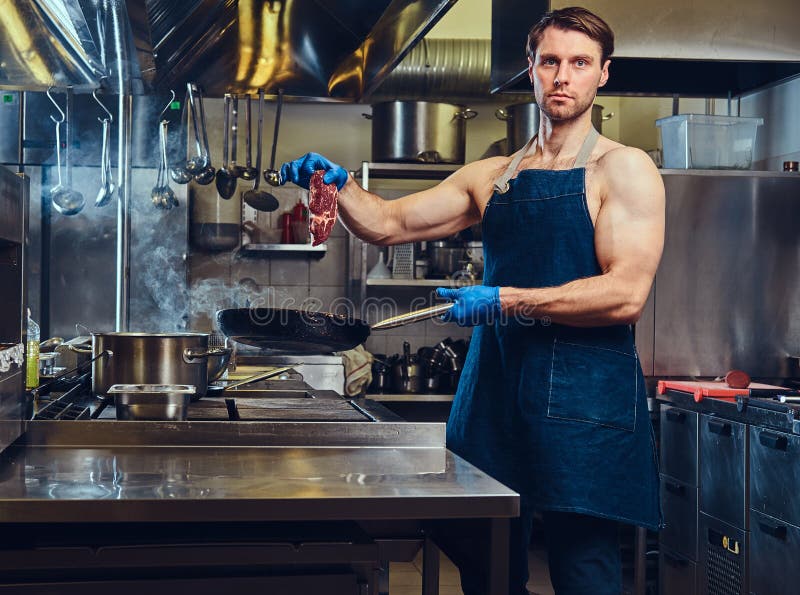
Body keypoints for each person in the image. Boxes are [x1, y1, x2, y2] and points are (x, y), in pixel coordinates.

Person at [279, 6, 664, 593]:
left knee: (583, 569)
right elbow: (388, 223)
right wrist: (343, 187)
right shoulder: (492, 176)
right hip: (494, 391)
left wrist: (505, 300)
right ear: (529, 68)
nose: (563, 76)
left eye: (580, 63)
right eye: (551, 61)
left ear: (602, 74)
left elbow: (625, 293)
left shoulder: (623, 170)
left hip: (585, 396)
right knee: (486, 563)